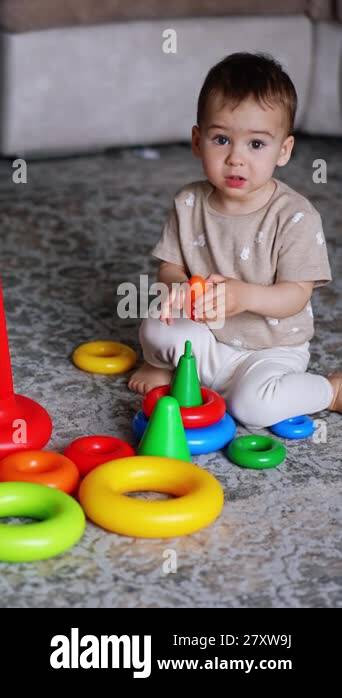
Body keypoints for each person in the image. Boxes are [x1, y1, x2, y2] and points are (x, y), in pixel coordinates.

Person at [128, 52, 341, 428]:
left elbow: (296, 294)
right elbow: (170, 266)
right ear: (197, 141)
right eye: (221, 139)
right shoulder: (188, 202)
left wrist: (244, 296)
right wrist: (179, 289)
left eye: (256, 145)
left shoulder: (295, 215)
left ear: (284, 151)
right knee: (154, 323)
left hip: (270, 348)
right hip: (208, 337)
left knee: (252, 408)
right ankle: (162, 364)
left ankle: (329, 390)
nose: (235, 159)